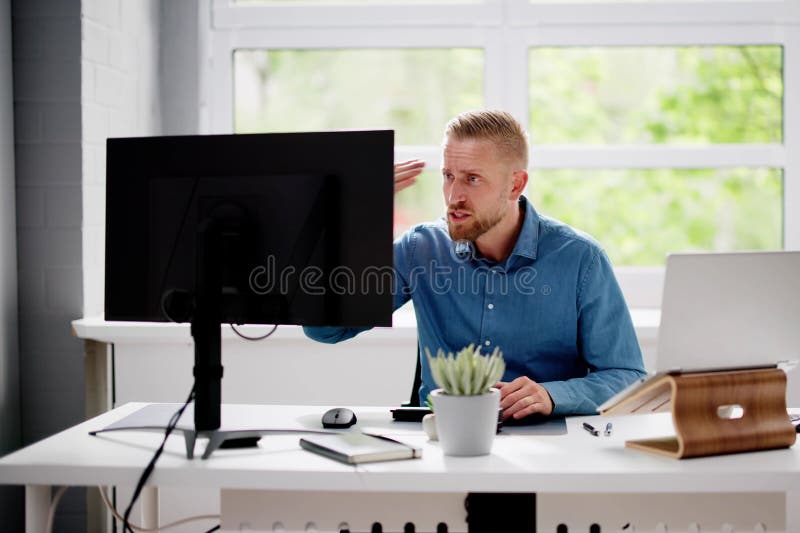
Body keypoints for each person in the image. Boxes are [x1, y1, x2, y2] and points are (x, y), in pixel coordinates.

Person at [304, 110, 646, 418]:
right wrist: (349, 214)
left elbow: (627, 377)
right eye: (448, 175)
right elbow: (325, 330)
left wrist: (551, 395)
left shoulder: (581, 260)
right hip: (443, 440)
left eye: (472, 179)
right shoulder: (420, 249)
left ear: (515, 184)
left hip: (544, 443)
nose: (454, 197)